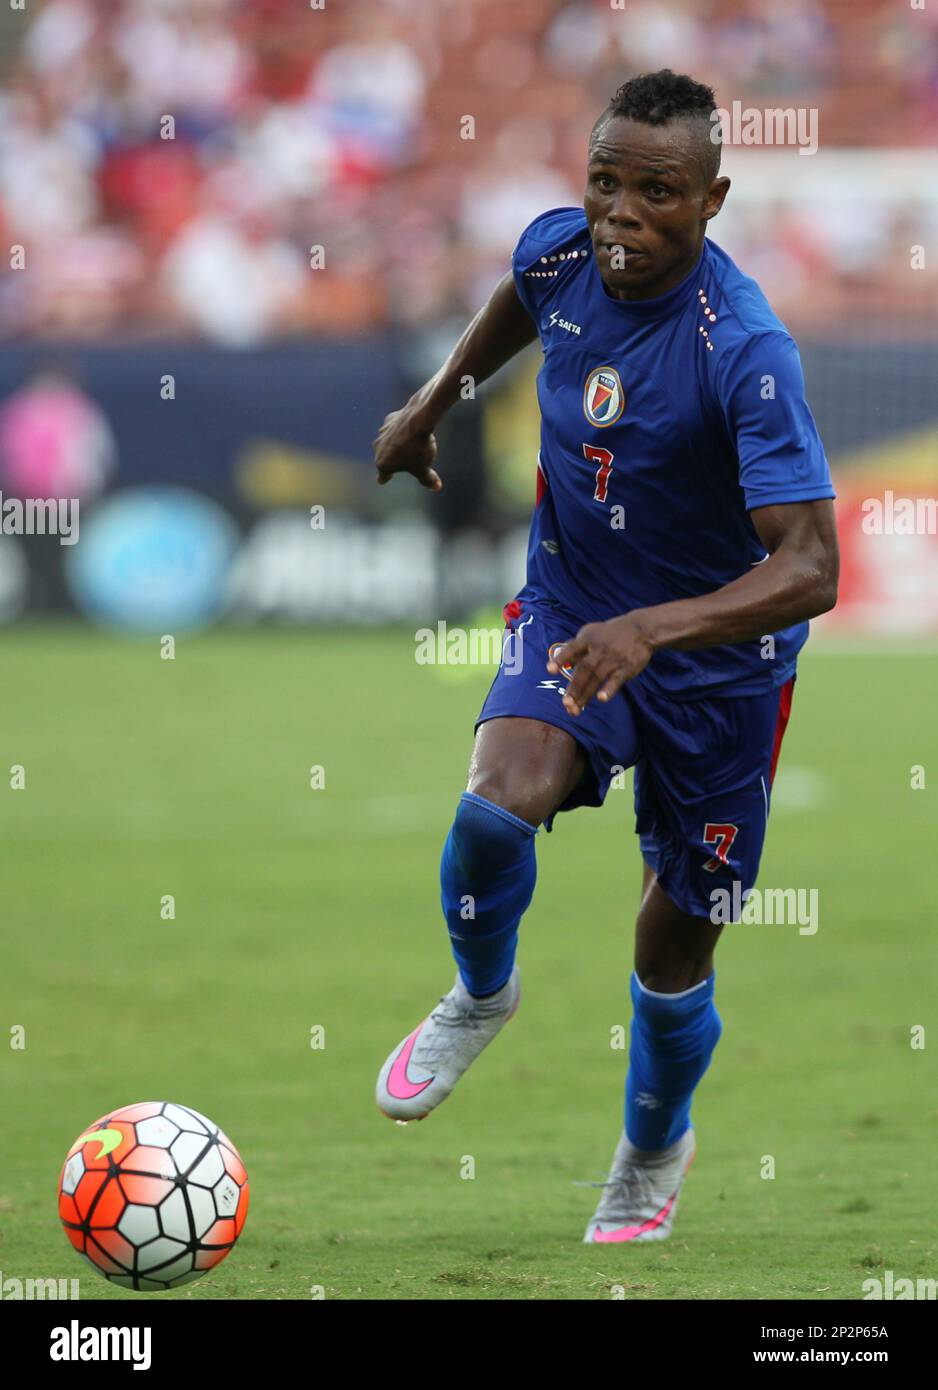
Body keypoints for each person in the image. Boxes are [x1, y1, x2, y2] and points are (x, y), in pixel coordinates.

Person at [371, 70, 839, 1244]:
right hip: (575, 603)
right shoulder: (558, 255)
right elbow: (514, 306)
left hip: (720, 671)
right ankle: (480, 994)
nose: (620, 212)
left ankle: (648, 1147)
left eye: (656, 193)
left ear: (712, 198)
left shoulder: (746, 351)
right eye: (604, 183)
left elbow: (810, 568)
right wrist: (432, 405)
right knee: (495, 802)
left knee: (670, 950)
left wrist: (656, 630)